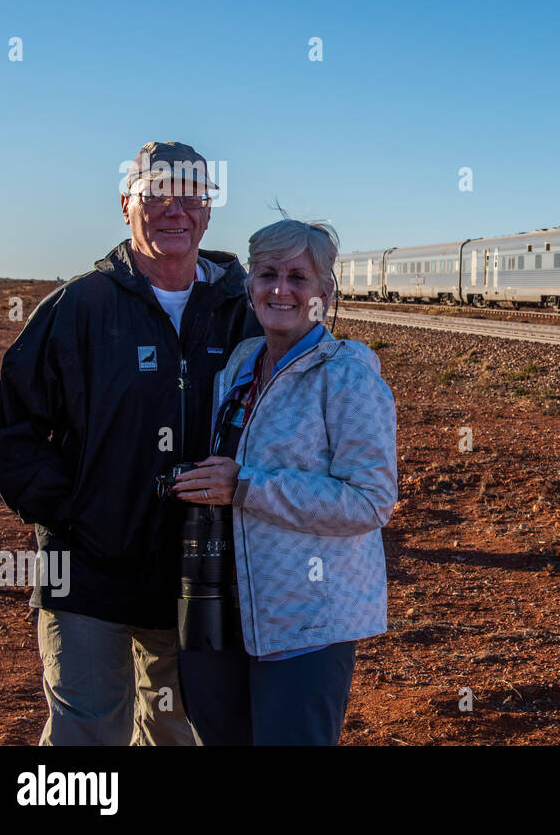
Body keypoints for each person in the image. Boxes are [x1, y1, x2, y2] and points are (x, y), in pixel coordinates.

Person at [0, 140, 258, 745]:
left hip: (197, 568)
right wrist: (79, 515)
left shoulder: (242, 311)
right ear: (126, 205)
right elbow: (9, 435)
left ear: (208, 212)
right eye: (155, 195)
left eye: (189, 197)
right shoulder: (79, 305)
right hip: (86, 569)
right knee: (88, 730)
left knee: (178, 727)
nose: (173, 211)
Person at [172, 217, 397, 745]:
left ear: (325, 291)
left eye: (298, 277)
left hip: (306, 626)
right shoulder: (241, 365)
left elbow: (370, 501)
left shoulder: (347, 374)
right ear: (248, 285)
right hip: (223, 613)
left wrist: (248, 486)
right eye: (267, 273)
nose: (280, 288)